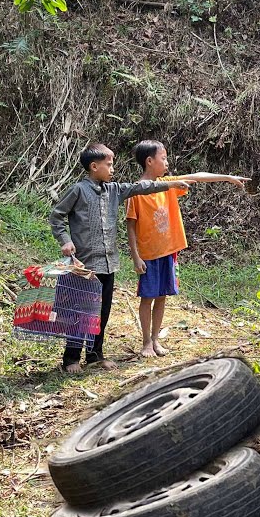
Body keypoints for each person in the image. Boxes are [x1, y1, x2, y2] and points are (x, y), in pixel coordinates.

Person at [50, 143, 190, 374]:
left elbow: (141, 188)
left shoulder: (114, 190)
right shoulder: (78, 191)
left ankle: (95, 355)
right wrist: (65, 240)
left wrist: (171, 184)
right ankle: (71, 358)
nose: (112, 168)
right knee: (81, 310)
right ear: (94, 167)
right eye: (109, 164)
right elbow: (57, 217)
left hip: (108, 264)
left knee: (102, 311)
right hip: (84, 265)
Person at [125, 140, 247, 357]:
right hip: (149, 254)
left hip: (168, 252)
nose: (167, 162)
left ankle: (155, 340)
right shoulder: (136, 192)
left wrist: (227, 178)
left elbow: (197, 176)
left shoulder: (169, 183)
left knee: (162, 297)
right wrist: (135, 257)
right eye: (163, 158)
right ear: (149, 161)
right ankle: (145, 342)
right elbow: (131, 226)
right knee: (148, 297)